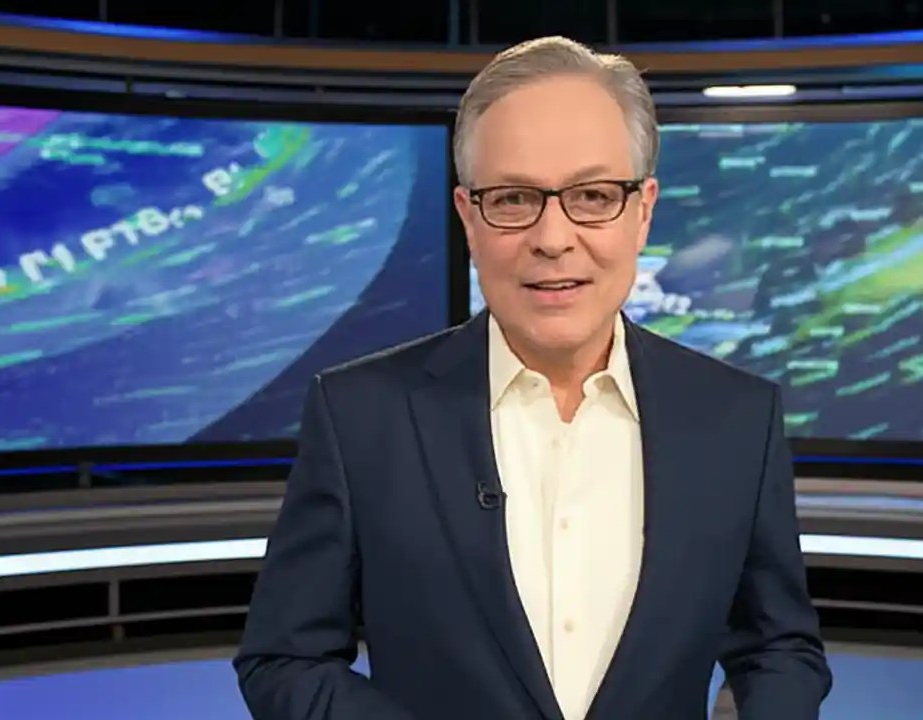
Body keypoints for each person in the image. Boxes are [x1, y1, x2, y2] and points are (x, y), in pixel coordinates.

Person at [234, 35, 832, 720]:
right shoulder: (360, 416)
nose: (552, 238)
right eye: (514, 199)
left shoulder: (737, 418)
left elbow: (779, 647)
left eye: (593, 195)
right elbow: (284, 661)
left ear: (643, 212)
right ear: (469, 217)